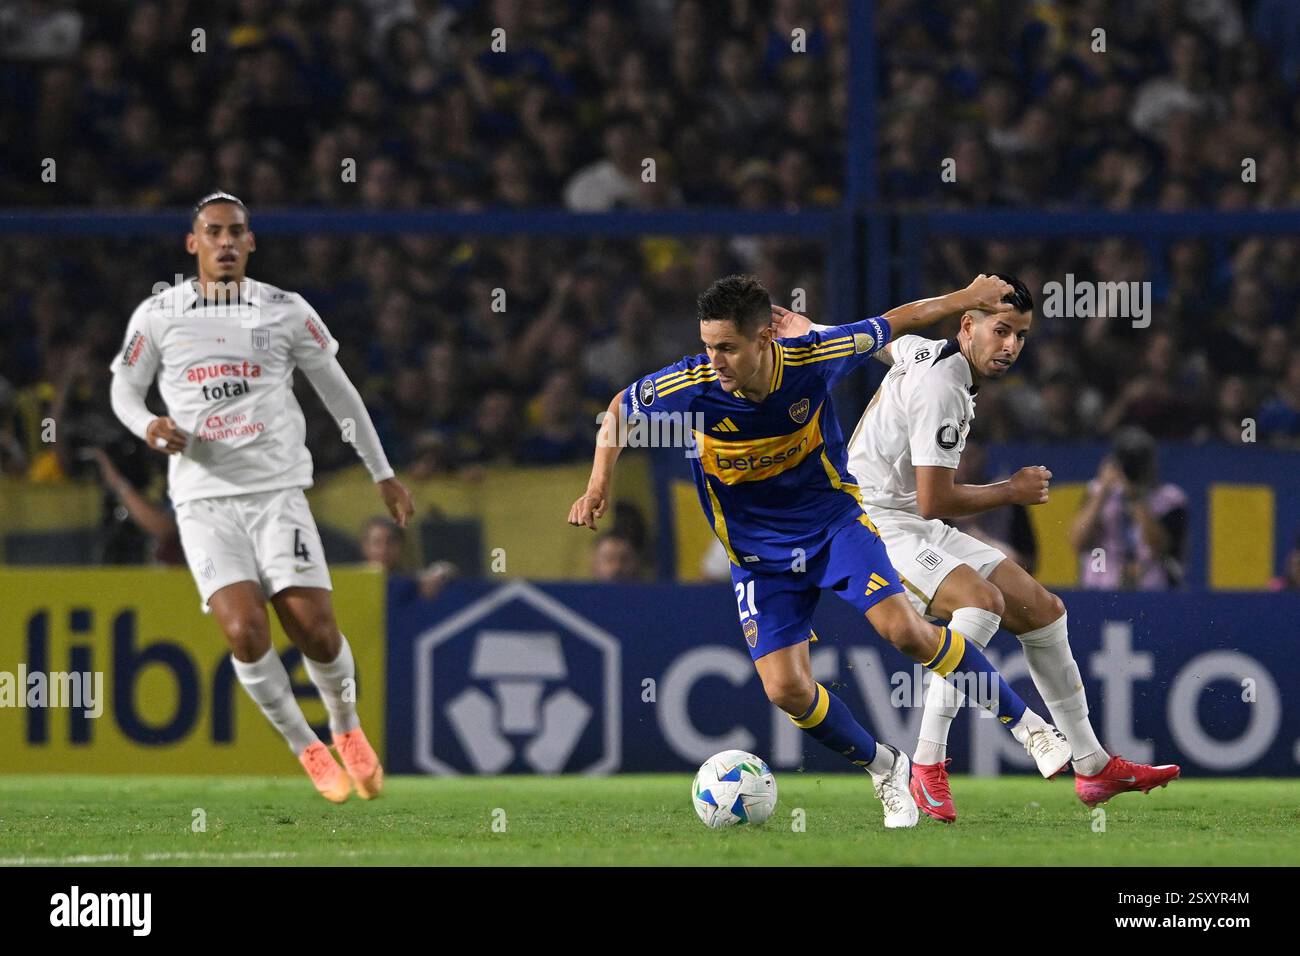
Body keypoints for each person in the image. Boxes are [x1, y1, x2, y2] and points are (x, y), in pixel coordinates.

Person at [569, 274, 1070, 829]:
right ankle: (886, 768)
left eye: (727, 347)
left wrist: (962, 300)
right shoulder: (689, 385)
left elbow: (895, 321)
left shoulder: (812, 358)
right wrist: (597, 487)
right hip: (759, 559)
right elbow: (619, 409)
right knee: (786, 688)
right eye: (708, 345)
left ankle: (1030, 728)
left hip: (834, 527)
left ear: (763, 339)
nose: (714, 360)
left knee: (904, 631)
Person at [773, 275, 1180, 822]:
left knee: (1043, 611)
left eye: (1020, 335)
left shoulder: (924, 351)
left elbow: (856, 336)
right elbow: (935, 496)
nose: (1010, 345)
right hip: (874, 523)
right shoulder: (944, 387)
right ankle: (926, 763)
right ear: (968, 326)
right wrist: (1010, 491)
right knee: (980, 602)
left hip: (911, 518)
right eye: (1000, 330)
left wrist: (796, 324)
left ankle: (1091, 764)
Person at [108, 192, 414, 803]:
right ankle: (307, 746)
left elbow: (340, 393)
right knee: (245, 632)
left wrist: (381, 471)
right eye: (212, 233)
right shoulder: (159, 314)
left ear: (251, 243)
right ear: (192, 244)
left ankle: (348, 730)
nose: (225, 243)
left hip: (277, 495)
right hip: (202, 504)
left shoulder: (286, 311)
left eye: (236, 233)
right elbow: (124, 388)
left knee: (316, 631)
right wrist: (147, 426)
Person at [1071, 426, 1189, 590]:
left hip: (1152, 590)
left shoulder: (1170, 499)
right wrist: (1104, 491)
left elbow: (1160, 547)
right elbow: (1078, 542)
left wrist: (1134, 497)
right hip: (1101, 588)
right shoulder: (1097, 492)